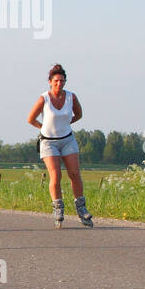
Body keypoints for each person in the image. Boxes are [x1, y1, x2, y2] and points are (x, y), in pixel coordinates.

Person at [26, 63, 93, 227]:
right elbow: (30, 119)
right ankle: (58, 207)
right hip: (49, 142)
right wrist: (43, 128)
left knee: (75, 174)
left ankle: (81, 209)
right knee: (56, 176)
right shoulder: (44, 98)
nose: (59, 84)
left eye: (62, 81)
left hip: (67, 139)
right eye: (56, 81)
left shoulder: (71, 97)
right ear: (50, 81)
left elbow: (79, 114)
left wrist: (65, 123)